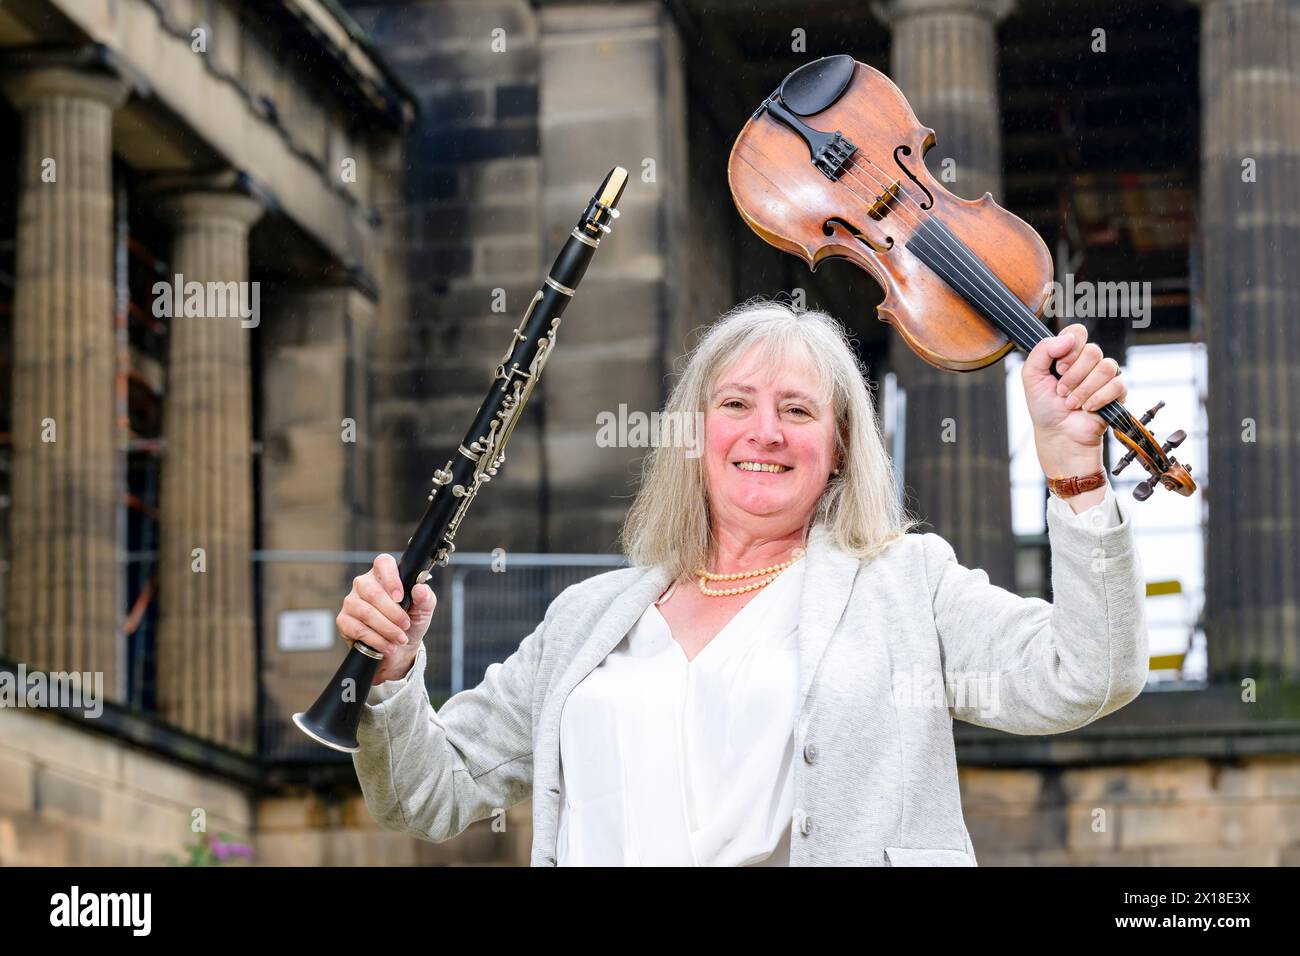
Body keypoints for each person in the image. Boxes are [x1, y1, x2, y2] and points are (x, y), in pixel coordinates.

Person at [339, 298, 1147, 866]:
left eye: (797, 411)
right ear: (697, 434)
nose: (764, 431)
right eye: (735, 403)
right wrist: (394, 673)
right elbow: (425, 796)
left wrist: (1076, 479)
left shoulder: (905, 583)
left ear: (837, 447)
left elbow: (1084, 676)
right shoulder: (585, 619)